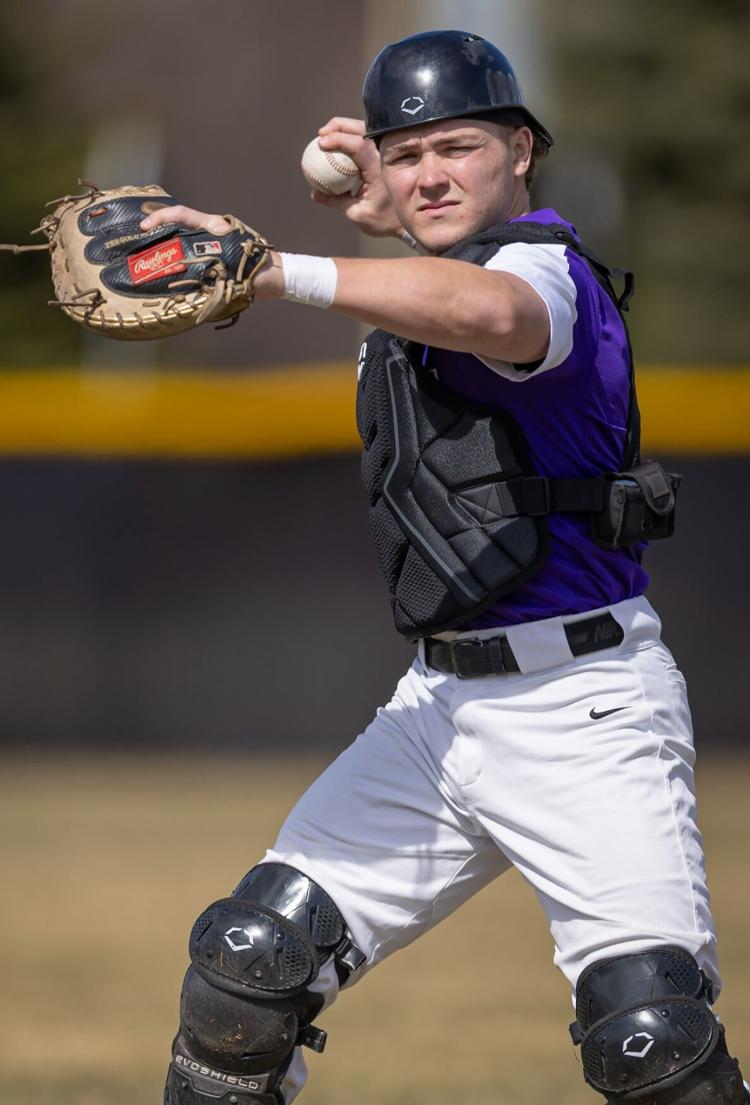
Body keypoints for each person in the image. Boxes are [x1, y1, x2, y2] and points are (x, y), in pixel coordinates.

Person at [151, 30, 747, 1105]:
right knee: (245, 969)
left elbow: (491, 315)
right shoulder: (432, 263)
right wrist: (391, 223)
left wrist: (279, 268)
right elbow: (441, 279)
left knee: (651, 1041)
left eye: (459, 147)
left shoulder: (547, 269)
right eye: (407, 151)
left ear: (523, 151)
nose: (431, 172)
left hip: (584, 710)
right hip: (436, 712)